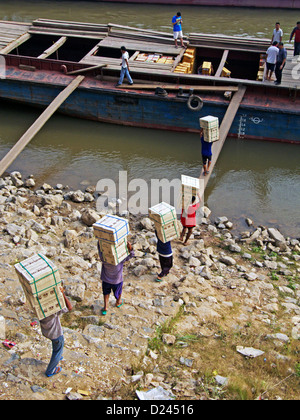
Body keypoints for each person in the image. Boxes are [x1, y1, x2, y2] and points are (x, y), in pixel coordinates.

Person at [40, 287, 72, 377]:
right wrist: (62, 294)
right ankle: (50, 370)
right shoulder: (53, 311)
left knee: (56, 347)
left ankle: (58, 357)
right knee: (57, 350)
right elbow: (69, 307)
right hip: (56, 335)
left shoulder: (40, 309)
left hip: (47, 332)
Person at [97, 240, 134, 315]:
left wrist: (100, 241)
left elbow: (100, 249)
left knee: (106, 293)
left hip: (106, 279)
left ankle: (105, 307)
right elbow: (131, 255)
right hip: (117, 281)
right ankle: (118, 302)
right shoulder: (120, 259)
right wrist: (131, 248)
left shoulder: (104, 258)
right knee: (118, 292)